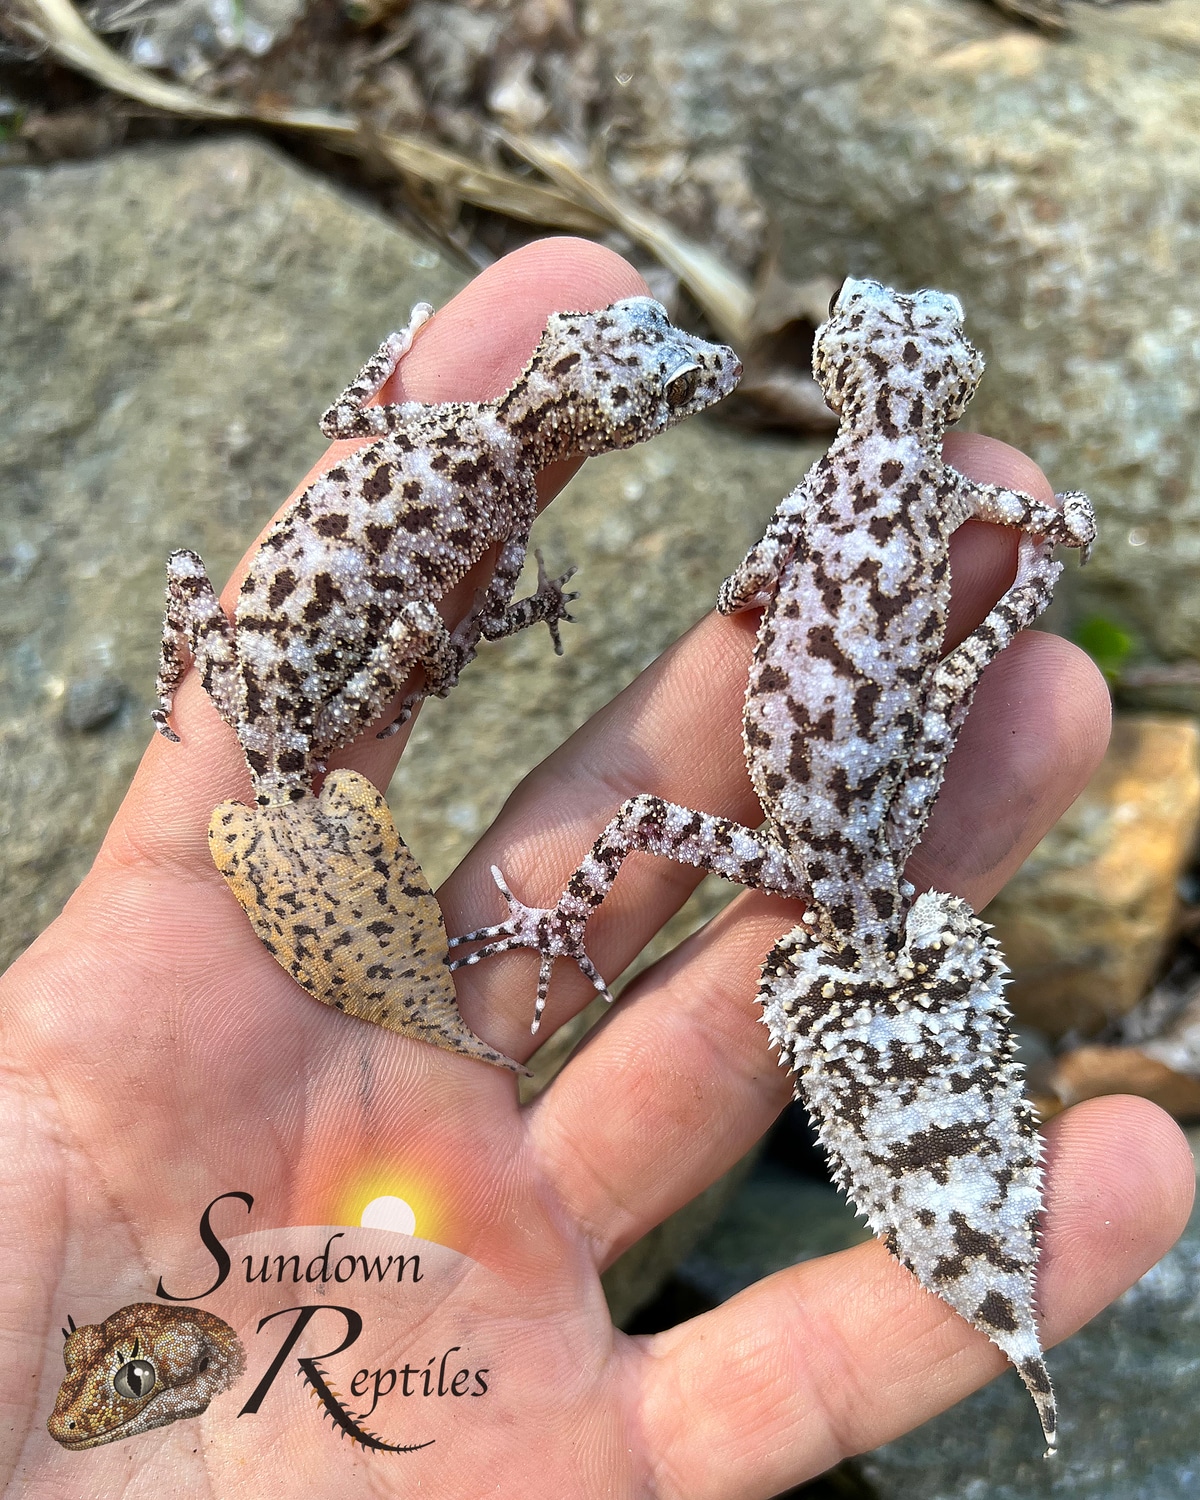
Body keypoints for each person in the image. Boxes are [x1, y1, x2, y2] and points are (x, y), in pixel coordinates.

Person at [3, 237, 1192, 1496]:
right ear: (944, 387)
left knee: (656, 814)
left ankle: (585, 939)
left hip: (798, 831)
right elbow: (871, 577)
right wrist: (1012, 581)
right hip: (872, 831)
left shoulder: (822, 495)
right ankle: (1000, 1295)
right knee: (951, 693)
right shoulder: (949, 503)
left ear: (845, 371)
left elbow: (745, 588)